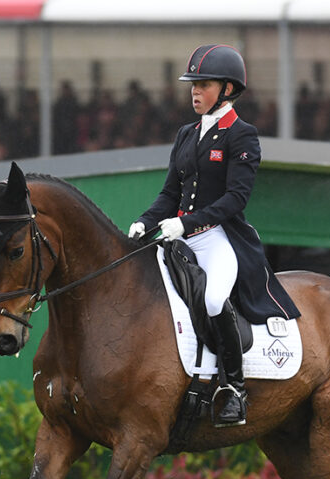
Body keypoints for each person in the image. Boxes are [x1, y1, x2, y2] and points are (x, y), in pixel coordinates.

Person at [128, 44, 300, 428]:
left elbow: (235, 199)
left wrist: (187, 224)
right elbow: (170, 194)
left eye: (203, 85)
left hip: (217, 237)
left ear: (227, 89)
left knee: (212, 298)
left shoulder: (242, 135)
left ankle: (233, 388)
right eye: (193, 85)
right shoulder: (186, 134)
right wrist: (145, 221)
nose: (194, 91)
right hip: (179, 235)